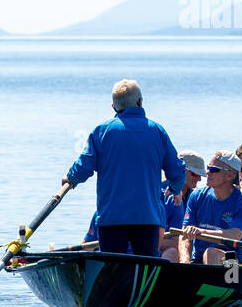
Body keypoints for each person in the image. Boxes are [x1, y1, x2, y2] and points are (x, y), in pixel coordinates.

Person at [63, 79, 186, 258]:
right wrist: (174, 189)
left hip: (112, 218)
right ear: (140, 102)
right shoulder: (157, 132)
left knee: (113, 270)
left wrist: (70, 178)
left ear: (113, 106)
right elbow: (177, 171)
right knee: (146, 268)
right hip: (147, 218)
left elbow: (84, 166)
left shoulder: (101, 131)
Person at [179, 151, 242, 265]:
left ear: (230, 175)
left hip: (236, 263)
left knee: (211, 254)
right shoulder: (197, 196)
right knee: (173, 254)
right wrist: (184, 261)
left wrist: (200, 231)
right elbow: (185, 234)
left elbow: (233, 236)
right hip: (199, 259)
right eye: (208, 168)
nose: (207, 172)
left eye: (214, 169)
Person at [159, 150, 205, 262]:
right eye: (195, 174)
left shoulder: (196, 197)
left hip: (187, 253)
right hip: (163, 252)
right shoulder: (160, 193)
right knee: (173, 250)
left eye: (200, 175)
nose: (199, 179)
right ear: (181, 171)